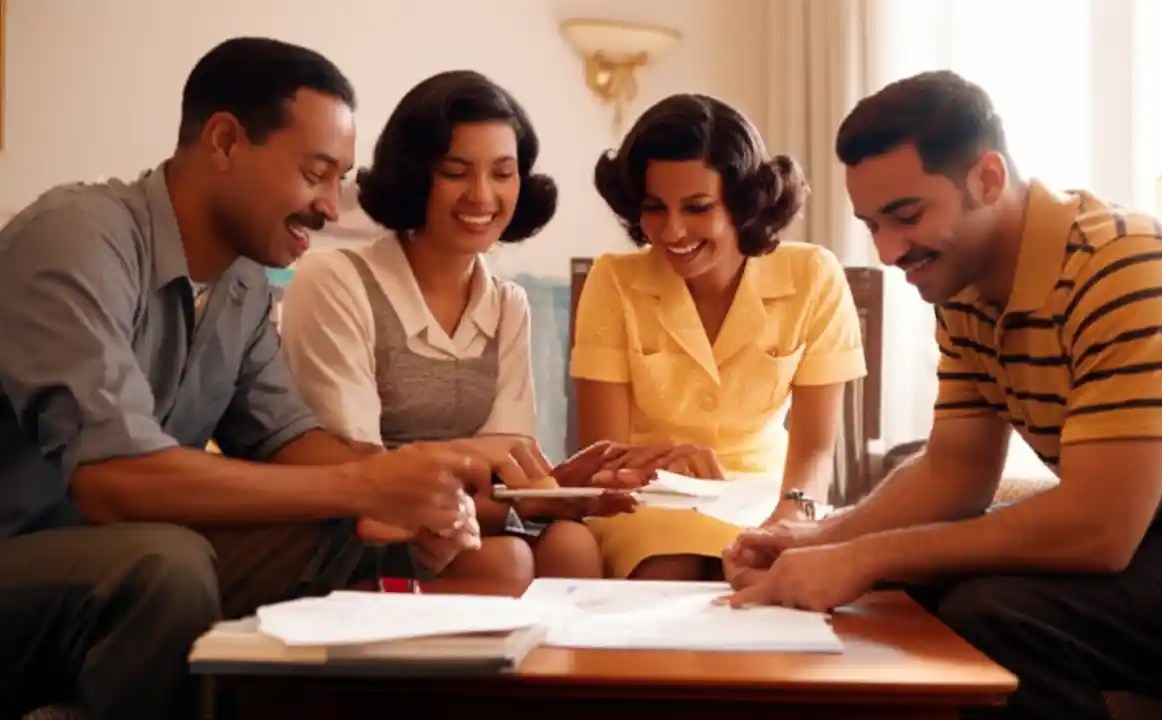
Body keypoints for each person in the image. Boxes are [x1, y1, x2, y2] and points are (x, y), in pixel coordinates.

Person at [0, 38, 610, 720]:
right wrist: (363, 483)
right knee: (163, 563)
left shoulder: (241, 285)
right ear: (225, 141)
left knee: (365, 532)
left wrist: (407, 496)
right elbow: (113, 481)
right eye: (316, 173)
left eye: (339, 178)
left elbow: (292, 441)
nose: (331, 206)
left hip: (121, 553)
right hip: (24, 557)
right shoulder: (77, 239)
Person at [724, 70, 1162, 720]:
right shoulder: (963, 286)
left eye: (906, 217)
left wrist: (865, 554)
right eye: (872, 225)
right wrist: (820, 539)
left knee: (998, 615)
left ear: (986, 179)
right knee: (899, 596)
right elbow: (955, 470)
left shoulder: (1127, 270)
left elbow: (1101, 529)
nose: (888, 251)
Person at [282, 71, 633, 596]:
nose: (482, 195)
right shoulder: (336, 280)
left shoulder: (507, 303)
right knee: (509, 562)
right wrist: (494, 466)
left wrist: (557, 490)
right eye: (456, 171)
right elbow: (358, 468)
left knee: (572, 546)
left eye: (502, 173)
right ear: (415, 175)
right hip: (363, 522)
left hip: (466, 517)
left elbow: (507, 467)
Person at [571, 94, 866, 580]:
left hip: (768, 497)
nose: (673, 229)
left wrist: (792, 516)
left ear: (743, 202)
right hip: (643, 503)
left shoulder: (813, 275)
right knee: (674, 570)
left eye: (698, 206)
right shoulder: (614, 280)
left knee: (784, 576)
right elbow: (604, 460)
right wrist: (665, 465)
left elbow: (814, 450)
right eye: (654, 208)